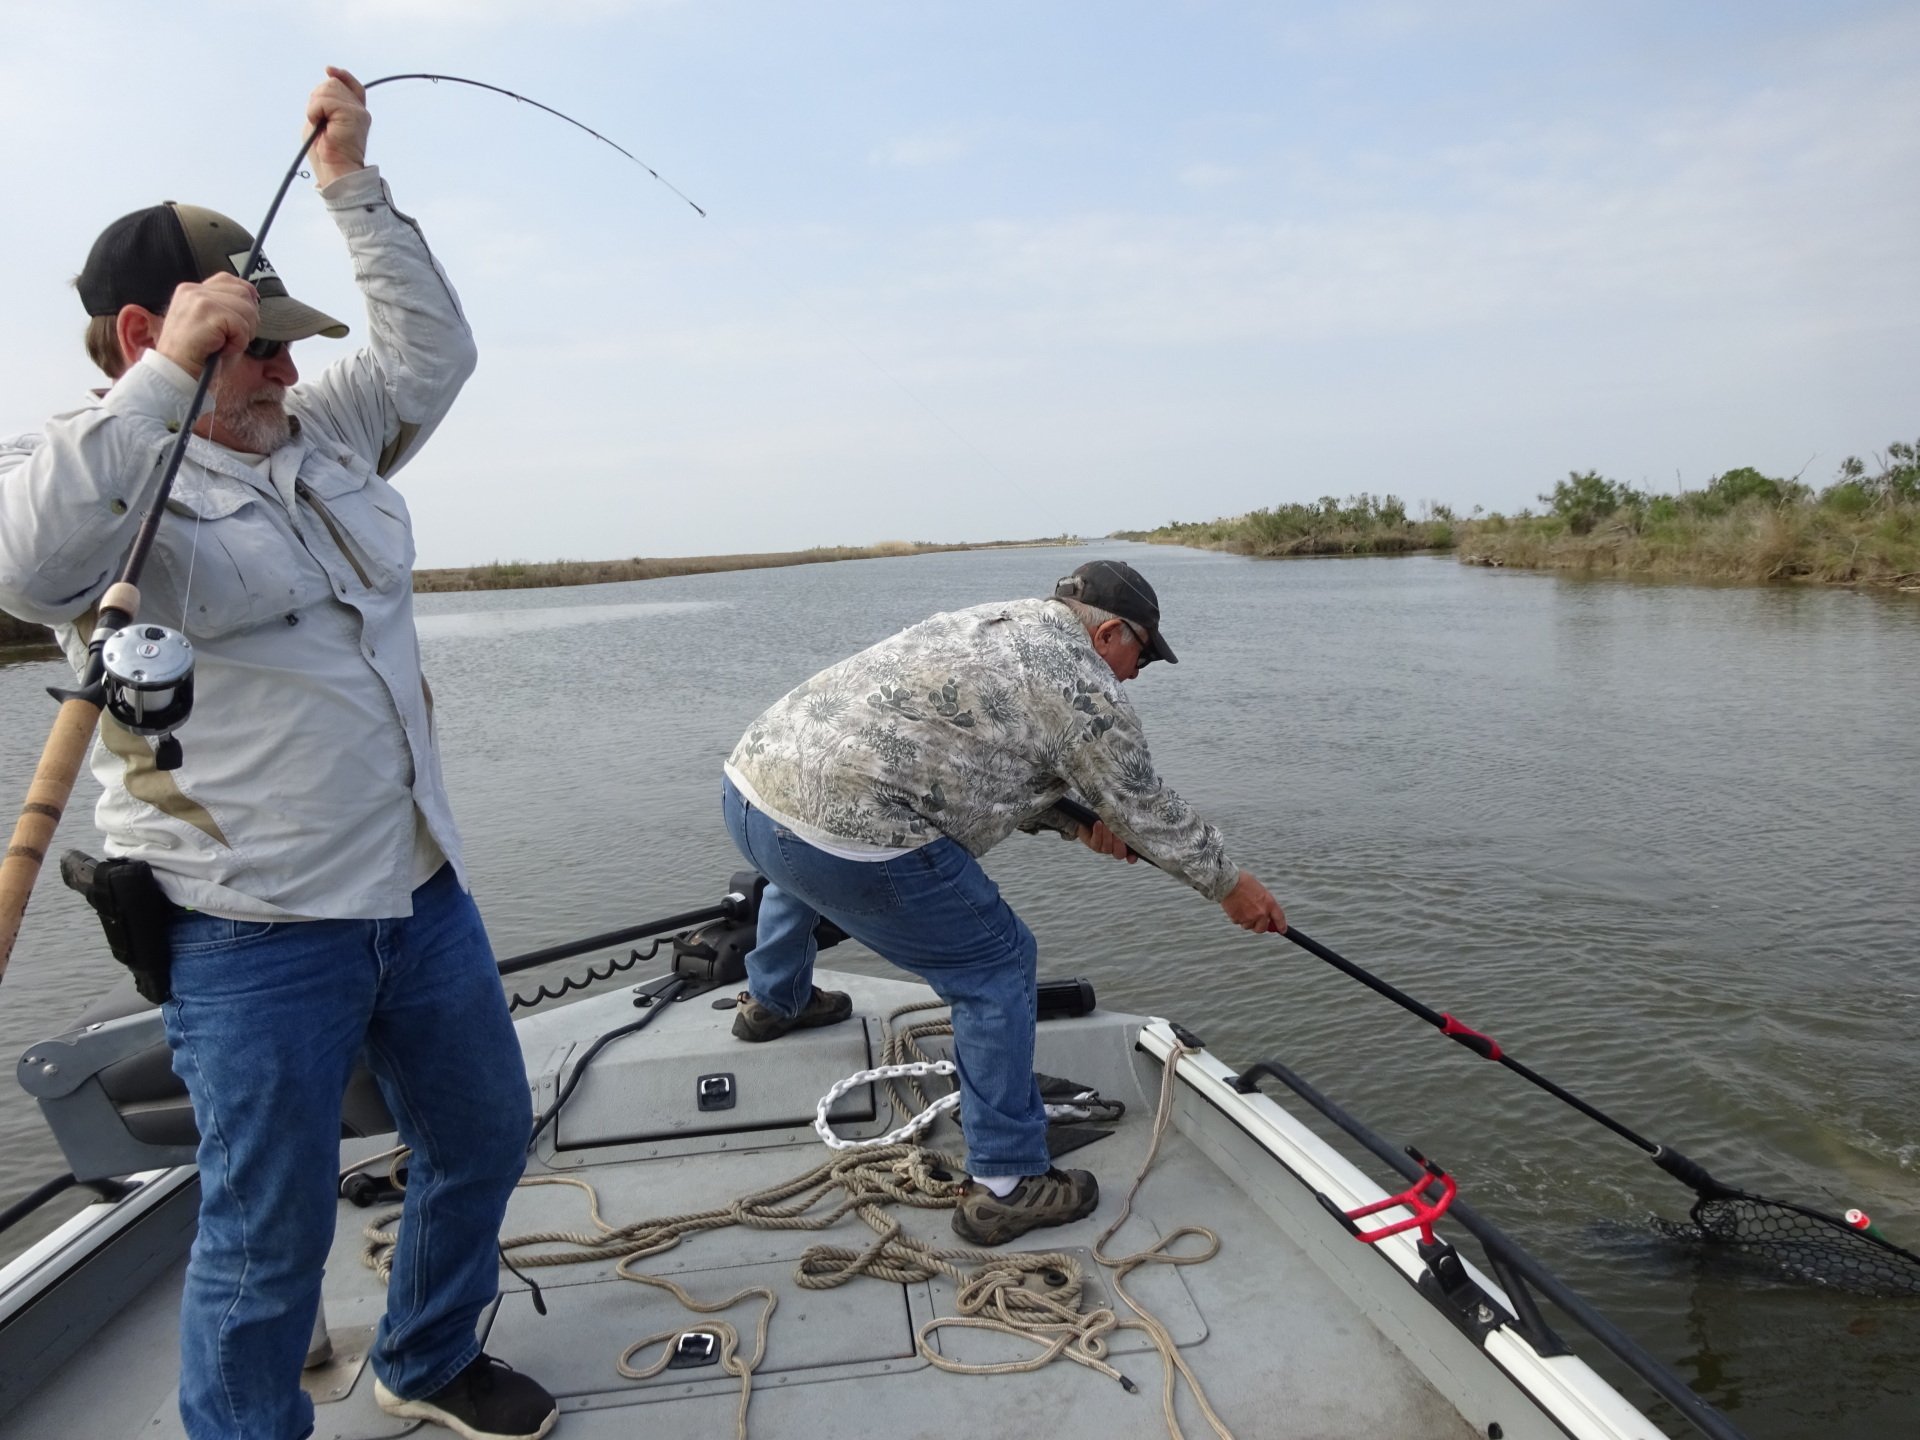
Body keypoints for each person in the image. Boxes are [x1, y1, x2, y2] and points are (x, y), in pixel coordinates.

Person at [0, 70, 556, 1440]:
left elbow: (433, 355)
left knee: (485, 1135)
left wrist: (351, 185)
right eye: (259, 348)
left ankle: (426, 1355)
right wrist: (162, 386)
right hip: (248, 931)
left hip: (421, 893)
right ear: (155, 334)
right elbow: (26, 569)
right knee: (267, 1231)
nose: (291, 372)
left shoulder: (329, 432)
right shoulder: (91, 471)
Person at [721, 558, 1288, 1246]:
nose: (1136, 675)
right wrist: (1231, 885)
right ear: (1110, 632)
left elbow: (975, 763)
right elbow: (1144, 806)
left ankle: (774, 1000)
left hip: (751, 793)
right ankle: (1006, 1182)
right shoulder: (1081, 683)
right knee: (997, 965)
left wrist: (1077, 823)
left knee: (800, 857)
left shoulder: (994, 624)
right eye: (1141, 656)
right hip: (845, 833)